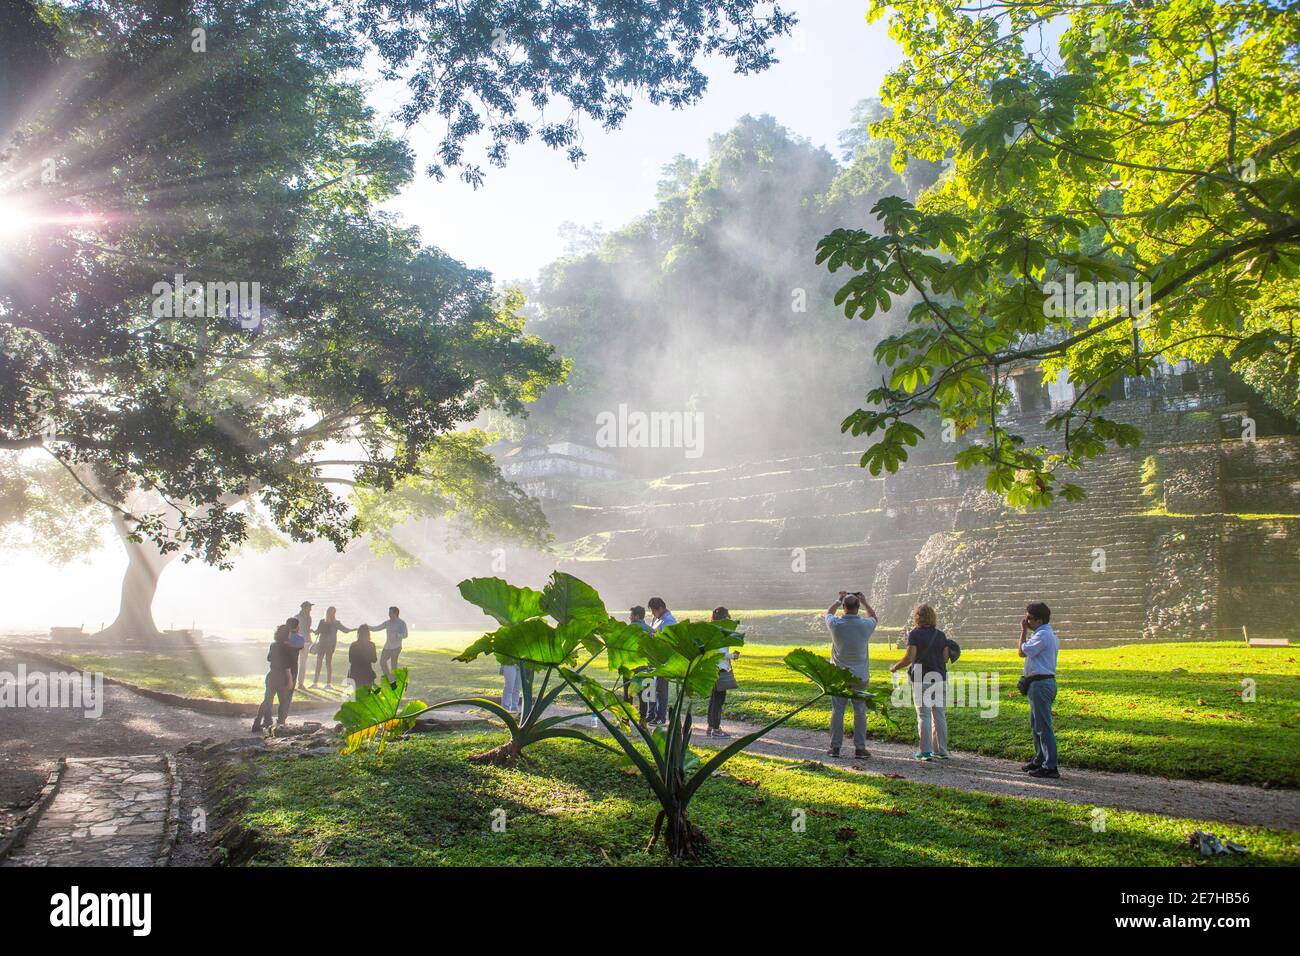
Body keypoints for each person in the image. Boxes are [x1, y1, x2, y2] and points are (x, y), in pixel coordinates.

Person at [890, 603, 951, 760]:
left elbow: (910, 657)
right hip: (939, 677)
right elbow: (944, 658)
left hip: (921, 678)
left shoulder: (915, 634)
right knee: (939, 714)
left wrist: (895, 667)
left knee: (924, 714)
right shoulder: (941, 635)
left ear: (917, 617)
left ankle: (925, 751)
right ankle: (942, 750)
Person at [824, 591, 877, 759]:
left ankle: (835, 747)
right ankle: (860, 748)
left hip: (839, 675)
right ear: (858, 607)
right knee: (860, 711)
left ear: (844, 607)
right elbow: (874, 617)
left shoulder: (836, 624)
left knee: (837, 711)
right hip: (860, 675)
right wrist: (866, 602)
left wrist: (838, 599)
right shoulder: (865, 625)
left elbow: (828, 613)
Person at [1019, 601, 1060, 778]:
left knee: (1043, 727)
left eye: (1029, 618)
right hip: (1038, 684)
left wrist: (1022, 632)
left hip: (1041, 684)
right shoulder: (1043, 634)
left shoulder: (1042, 636)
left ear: (1039, 620)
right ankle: (1040, 759)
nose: (1026, 621)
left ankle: (1050, 766)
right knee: (1036, 725)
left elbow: (1021, 651)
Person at [252, 624, 295, 733]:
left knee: (267, 700)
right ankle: (280, 724)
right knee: (283, 701)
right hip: (282, 677)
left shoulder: (273, 645)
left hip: (272, 675)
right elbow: (287, 666)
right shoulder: (288, 648)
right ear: (287, 634)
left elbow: (269, 658)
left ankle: (258, 722)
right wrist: (290, 679)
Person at [704, 606, 739, 738]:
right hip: (721, 668)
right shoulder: (721, 631)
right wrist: (733, 656)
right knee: (718, 700)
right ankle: (716, 729)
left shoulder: (711, 630)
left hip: (713, 667)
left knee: (713, 699)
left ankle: (710, 726)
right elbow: (722, 652)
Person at [646, 597, 677, 725]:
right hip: (654, 658)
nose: (653, 614)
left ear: (660, 608)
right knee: (651, 687)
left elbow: (669, 641)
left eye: (654, 611)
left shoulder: (669, 621)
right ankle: (650, 714)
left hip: (664, 659)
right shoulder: (656, 619)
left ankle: (660, 717)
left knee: (661, 689)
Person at [312, 607, 353, 688]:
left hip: (322, 644)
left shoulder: (322, 621)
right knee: (328, 663)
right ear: (334, 613)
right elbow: (345, 630)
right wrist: (354, 629)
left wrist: (312, 631)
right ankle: (328, 684)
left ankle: (315, 683)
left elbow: (317, 632)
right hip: (330, 645)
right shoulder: (336, 623)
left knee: (319, 663)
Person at [370, 606, 408, 683]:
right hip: (387, 647)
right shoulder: (387, 623)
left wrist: (397, 635)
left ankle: (395, 682)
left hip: (396, 647)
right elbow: (376, 628)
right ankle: (390, 679)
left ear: (396, 613)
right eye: (389, 613)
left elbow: (406, 634)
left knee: (393, 666)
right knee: (382, 662)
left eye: (390, 613)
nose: (389, 614)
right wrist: (367, 627)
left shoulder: (402, 623)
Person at [629, 606, 655, 720]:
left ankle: (625, 720)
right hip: (645, 666)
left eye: (631, 615)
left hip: (630, 665)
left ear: (636, 616)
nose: (629, 617)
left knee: (628, 693)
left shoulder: (629, 629)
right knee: (644, 694)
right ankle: (642, 720)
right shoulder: (650, 630)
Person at [290, 601, 313, 690]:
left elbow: (306, 629)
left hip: (306, 641)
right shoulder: (297, 617)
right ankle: (292, 681)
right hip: (297, 641)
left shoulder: (309, 617)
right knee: (294, 662)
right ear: (304, 608)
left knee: (303, 663)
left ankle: (300, 683)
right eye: (309, 607)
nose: (310, 609)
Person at [347, 624, 378, 689]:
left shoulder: (353, 645)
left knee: (356, 695)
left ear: (358, 633)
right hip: (367, 674)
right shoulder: (371, 645)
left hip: (355, 674)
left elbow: (350, 660)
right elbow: (374, 659)